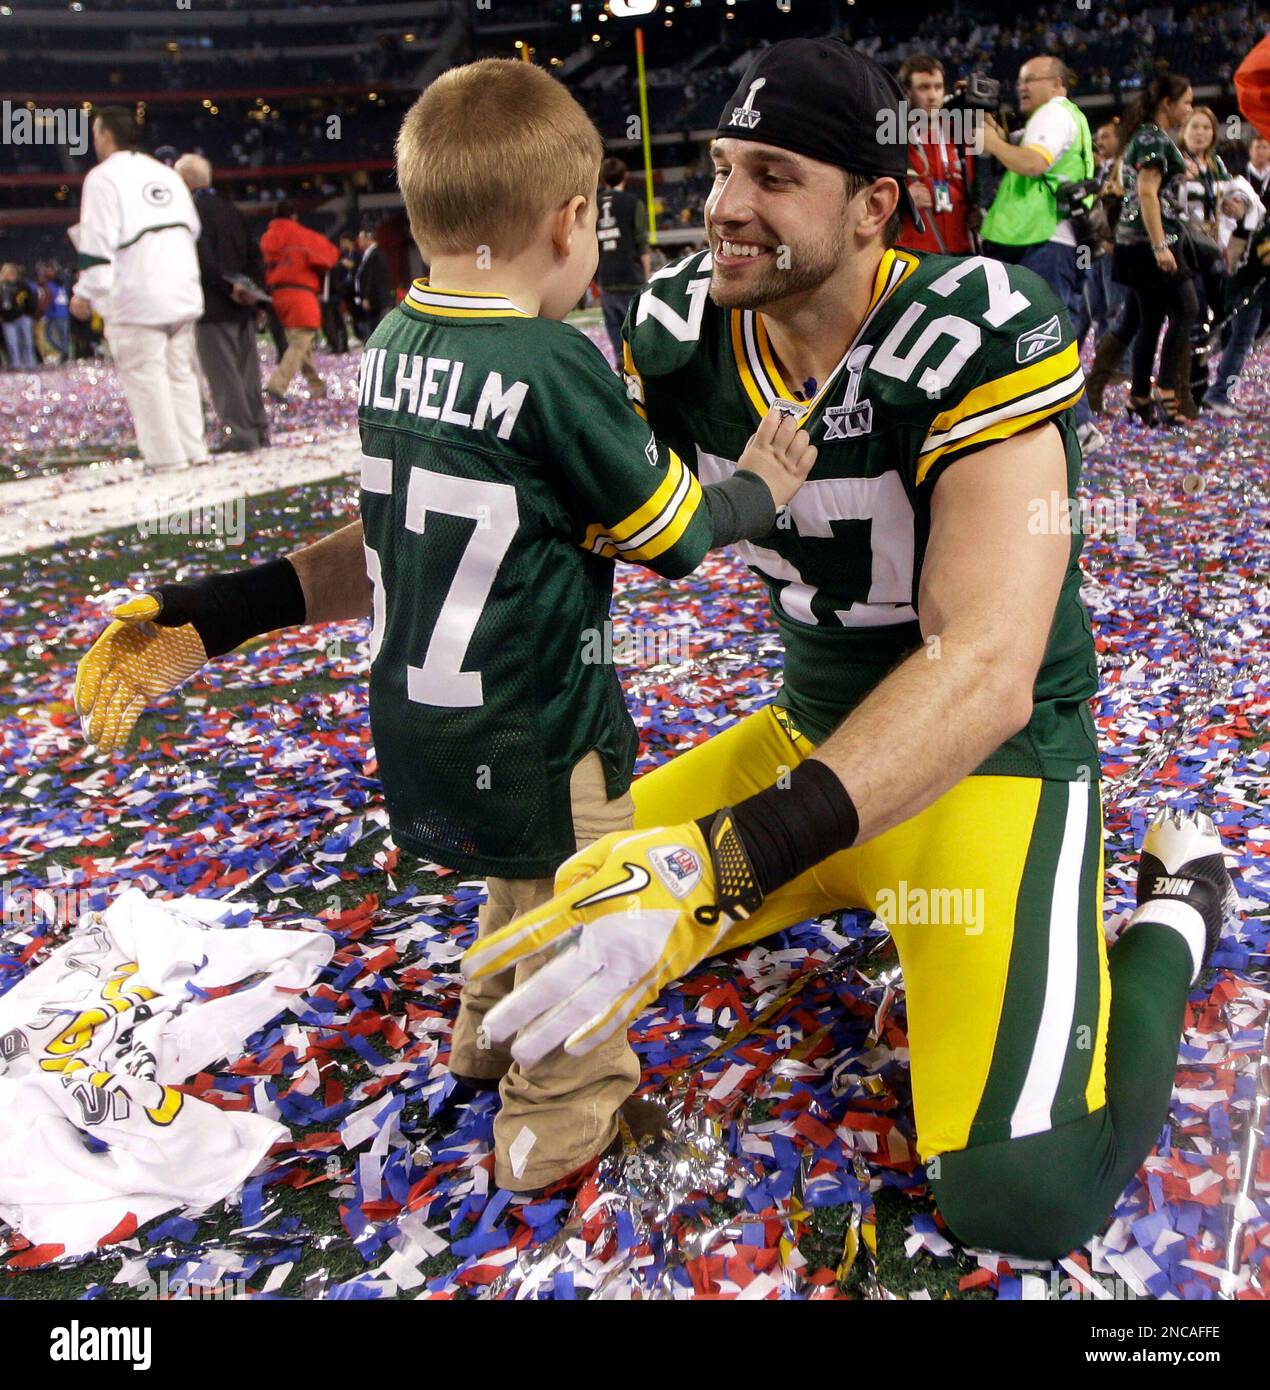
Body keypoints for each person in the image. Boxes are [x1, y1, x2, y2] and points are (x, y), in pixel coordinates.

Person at [464, 39, 1234, 1262]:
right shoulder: (682, 332)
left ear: (875, 204)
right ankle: (793, 876)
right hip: (808, 746)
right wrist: (229, 609)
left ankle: (1175, 917)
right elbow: (482, 498)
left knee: (1023, 1198)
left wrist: (725, 858)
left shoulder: (977, 324)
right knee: (543, 934)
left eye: (772, 176)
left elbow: (981, 667)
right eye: (721, 170)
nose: (723, 208)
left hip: (993, 761)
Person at [72, 58, 816, 1196]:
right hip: (537, 723)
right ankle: (554, 1122)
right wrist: (759, 480)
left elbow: (396, 533)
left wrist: (225, 611)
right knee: (579, 902)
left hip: (422, 723)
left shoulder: (393, 349)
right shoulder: (549, 363)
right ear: (570, 223)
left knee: (517, 882)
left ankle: (481, 1032)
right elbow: (666, 533)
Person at [69, 106, 207, 469]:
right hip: (183, 289)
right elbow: (193, 229)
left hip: (138, 293)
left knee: (147, 378)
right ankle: (195, 451)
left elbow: (97, 244)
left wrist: (86, 294)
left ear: (103, 135)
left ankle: (167, 460)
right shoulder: (167, 174)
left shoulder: (103, 178)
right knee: (180, 374)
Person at [979, 56, 1102, 451]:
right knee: (1044, 331)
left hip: (1043, 240)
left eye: (1031, 79)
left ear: (1057, 83)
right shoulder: (1058, 118)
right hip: (1049, 240)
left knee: (1043, 334)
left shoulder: (1054, 113)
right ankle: (1060, 422)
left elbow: (1033, 163)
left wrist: (994, 142)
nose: (1022, 87)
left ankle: (1078, 425)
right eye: (1019, 81)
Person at [1093, 75, 1197, 427]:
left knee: (1149, 319)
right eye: (1186, 102)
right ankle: (1167, 391)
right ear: (1167, 103)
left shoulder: (1148, 136)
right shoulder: (1153, 138)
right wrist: (1160, 247)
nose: (1190, 109)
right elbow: (1148, 194)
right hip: (1148, 244)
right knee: (1186, 309)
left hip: (1134, 246)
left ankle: (1139, 397)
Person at [175, 153, 270, 454]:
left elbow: (202, 260)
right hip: (242, 305)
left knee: (224, 376)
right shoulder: (232, 210)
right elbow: (255, 255)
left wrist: (228, 287)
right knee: (248, 373)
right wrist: (251, 290)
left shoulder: (189, 212)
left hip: (214, 306)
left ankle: (242, 434)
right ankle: (259, 430)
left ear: (185, 181)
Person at [896, 54, 976, 257]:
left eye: (938, 87)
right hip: (915, 254)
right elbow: (868, 196)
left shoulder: (959, 134)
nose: (932, 96)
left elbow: (973, 187)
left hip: (961, 251)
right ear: (907, 92)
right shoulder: (892, 137)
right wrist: (902, 202)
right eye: (924, 88)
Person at [259, 200, 339, 402]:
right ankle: (276, 386)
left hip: (277, 295)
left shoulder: (267, 237)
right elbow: (329, 256)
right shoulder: (299, 234)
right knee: (300, 342)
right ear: (293, 215)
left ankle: (316, 385)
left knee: (302, 343)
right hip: (300, 294)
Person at [595, 156, 651, 363]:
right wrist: (646, 276)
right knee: (637, 330)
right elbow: (641, 242)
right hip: (630, 274)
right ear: (625, 176)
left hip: (606, 276)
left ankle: (622, 369)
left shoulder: (594, 204)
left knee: (615, 331)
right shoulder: (632, 202)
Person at [353, 225, 392, 337]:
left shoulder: (376, 254)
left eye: (361, 238)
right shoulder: (367, 254)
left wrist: (366, 297)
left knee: (377, 327)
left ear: (369, 238)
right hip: (373, 299)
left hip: (376, 299)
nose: (358, 241)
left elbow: (373, 278)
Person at [0, 264, 37, 370]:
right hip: (7, 318)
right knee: (11, 342)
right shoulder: (2, 286)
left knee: (27, 340)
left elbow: (31, 299)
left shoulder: (22, 285)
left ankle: (29, 363)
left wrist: (29, 313)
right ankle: (15, 364)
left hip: (22, 316)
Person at [36, 262, 72, 363]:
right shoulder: (59, 285)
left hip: (54, 314)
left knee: (52, 336)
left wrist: (42, 311)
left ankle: (65, 353)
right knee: (61, 336)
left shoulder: (51, 285)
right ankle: (65, 352)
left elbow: (48, 300)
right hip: (62, 313)